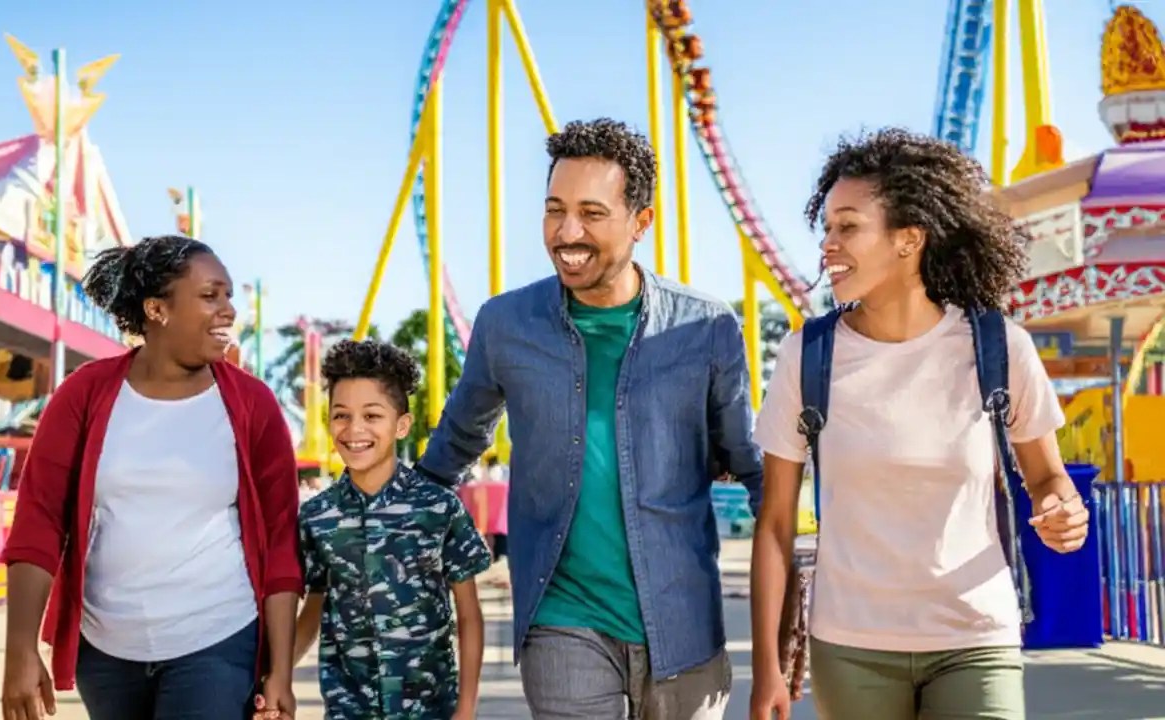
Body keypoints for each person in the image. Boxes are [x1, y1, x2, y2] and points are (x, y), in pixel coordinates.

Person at [418, 117, 757, 718]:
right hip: (561, 616)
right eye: (554, 209)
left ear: (641, 221)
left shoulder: (706, 328)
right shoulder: (505, 324)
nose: (566, 232)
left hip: (684, 620)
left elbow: (749, 461)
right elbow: (456, 442)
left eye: (592, 213)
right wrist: (388, 515)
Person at [748, 128, 1090, 720]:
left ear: (909, 239)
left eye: (848, 227)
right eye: (826, 228)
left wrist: (1065, 512)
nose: (827, 244)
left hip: (976, 637)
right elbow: (775, 525)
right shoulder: (809, 356)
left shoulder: (998, 348)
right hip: (851, 644)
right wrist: (766, 670)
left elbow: (1048, 478)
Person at [0, 235, 301, 720]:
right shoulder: (84, 394)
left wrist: (280, 667)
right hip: (106, 652)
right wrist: (19, 651)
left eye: (228, 297)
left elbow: (282, 540)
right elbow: (38, 524)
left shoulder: (252, 404)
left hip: (219, 641)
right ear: (157, 310)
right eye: (210, 296)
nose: (228, 310)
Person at [289, 339, 491, 719]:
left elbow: (468, 614)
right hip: (349, 709)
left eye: (372, 415)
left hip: (430, 709)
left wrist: (466, 709)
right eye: (341, 415)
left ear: (401, 425)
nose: (354, 429)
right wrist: (277, 677)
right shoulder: (316, 516)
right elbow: (313, 609)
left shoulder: (439, 508)